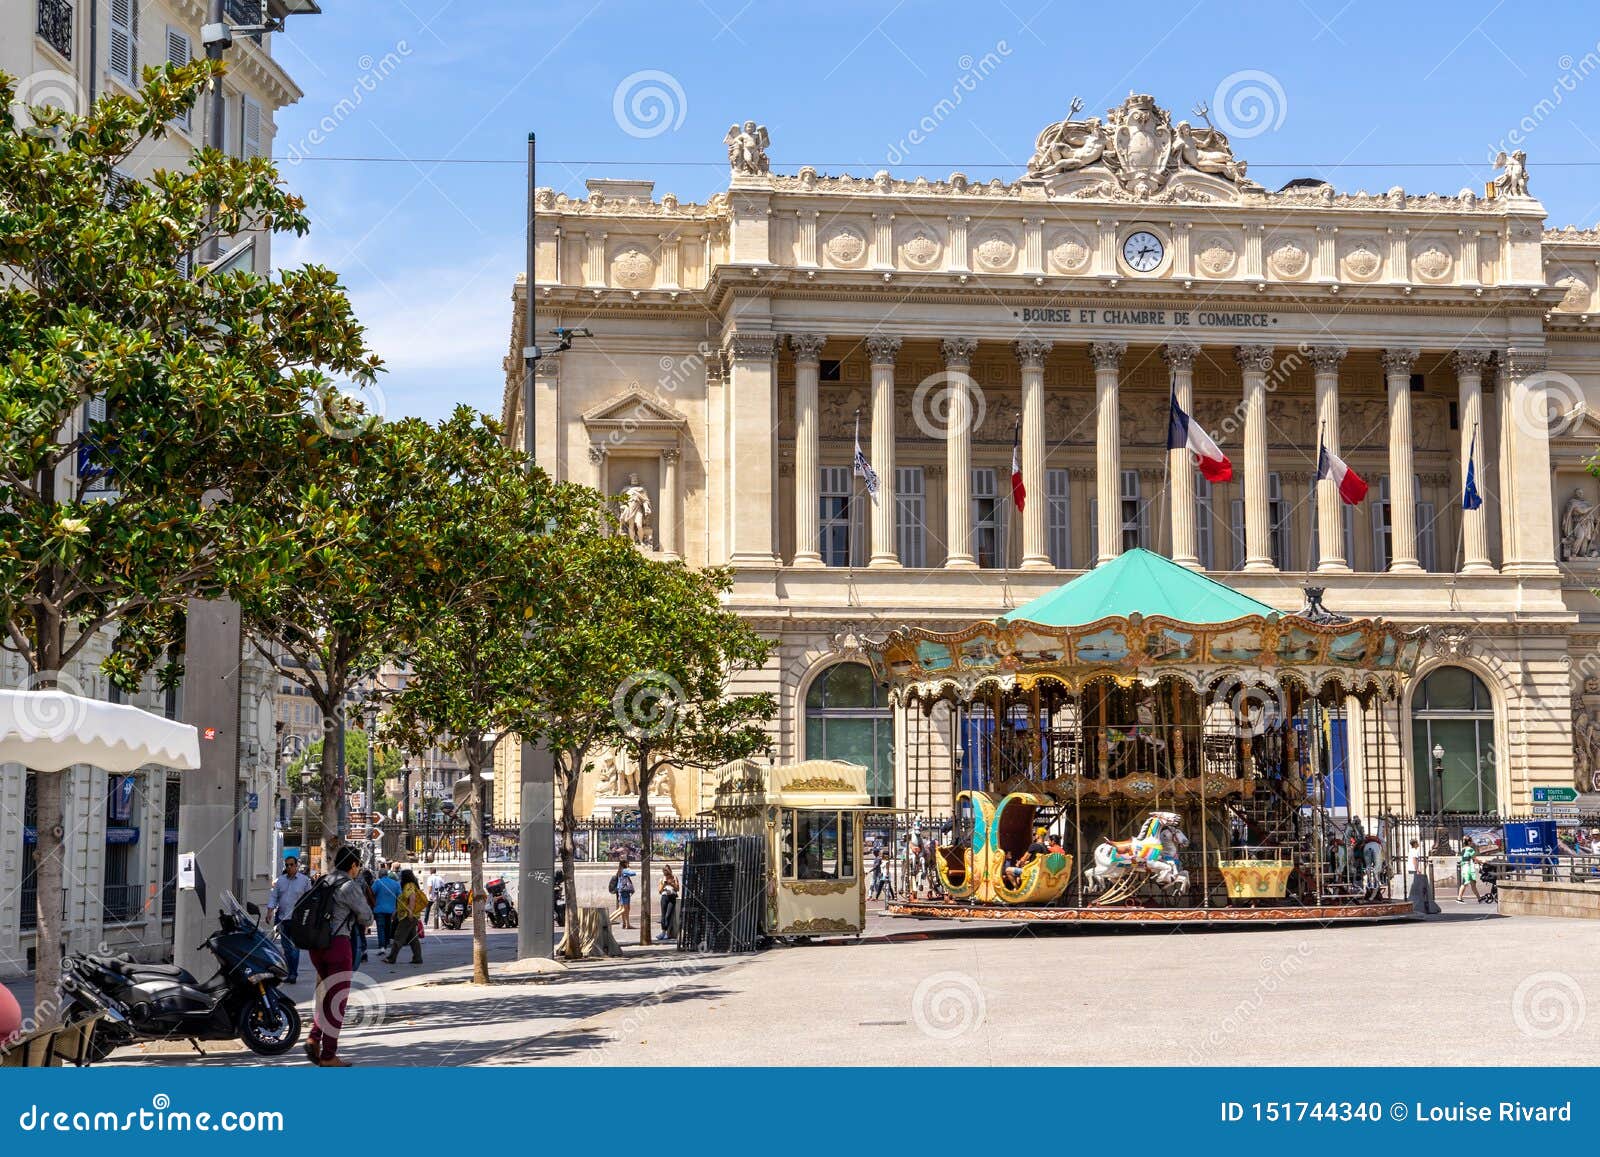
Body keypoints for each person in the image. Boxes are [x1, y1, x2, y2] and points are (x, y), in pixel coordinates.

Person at [306, 846, 373, 1068]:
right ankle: (329, 1055)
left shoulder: (323, 880)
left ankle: (314, 1037)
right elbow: (367, 917)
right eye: (358, 866)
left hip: (316, 946)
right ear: (353, 865)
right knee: (338, 1001)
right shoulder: (348, 886)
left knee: (326, 996)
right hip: (338, 944)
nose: (358, 870)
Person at [266, 855, 313, 984]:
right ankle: (289, 971)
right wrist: (270, 911)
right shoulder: (280, 881)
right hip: (282, 918)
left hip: (297, 919)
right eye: (287, 865)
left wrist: (308, 916)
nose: (289, 867)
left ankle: (293, 973)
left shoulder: (304, 881)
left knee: (294, 947)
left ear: (296, 865)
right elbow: (274, 897)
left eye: (291, 865)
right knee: (286, 947)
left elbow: (310, 898)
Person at [384, 869, 428, 965]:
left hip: (407, 916)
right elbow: (403, 902)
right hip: (410, 915)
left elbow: (412, 898)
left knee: (398, 936)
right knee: (413, 938)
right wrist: (396, 911)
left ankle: (391, 958)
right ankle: (417, 958)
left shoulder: (408, 886)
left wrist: (410, 912)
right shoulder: (413, 885)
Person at [371, 867, 401, 951]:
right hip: (391, 909)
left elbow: (371, 893)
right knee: (388, 926)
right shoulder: (395, 883)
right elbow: (400, 896)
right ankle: (386, 942)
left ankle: (382, 945)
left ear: (380, 875)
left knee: (380, 927)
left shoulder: (377, 882)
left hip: (379, 908)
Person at [657, 863, 680, 942]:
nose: (666, 873)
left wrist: (671, 884)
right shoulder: (662, 879)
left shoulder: (674, 878)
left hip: (672, 897)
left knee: (668, 915)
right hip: (664, 897)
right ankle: (663, 932)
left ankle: (667, 932)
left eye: (667, 871)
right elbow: (660, 891)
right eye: (664, 871)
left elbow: (677, 889)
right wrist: (664, 884)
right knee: (663, 915)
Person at [611, 858, 636, 929]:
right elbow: (633, 873)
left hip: (621, 891)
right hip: (625, 891)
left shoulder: (619, 871)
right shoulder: (625, 870)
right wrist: (629, 868)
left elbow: (619, 883)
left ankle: (626, 924)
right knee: (624, 909)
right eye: (627, 863)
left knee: (624, 908)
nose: (628, 864)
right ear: (625, 864)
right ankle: (609, 921)